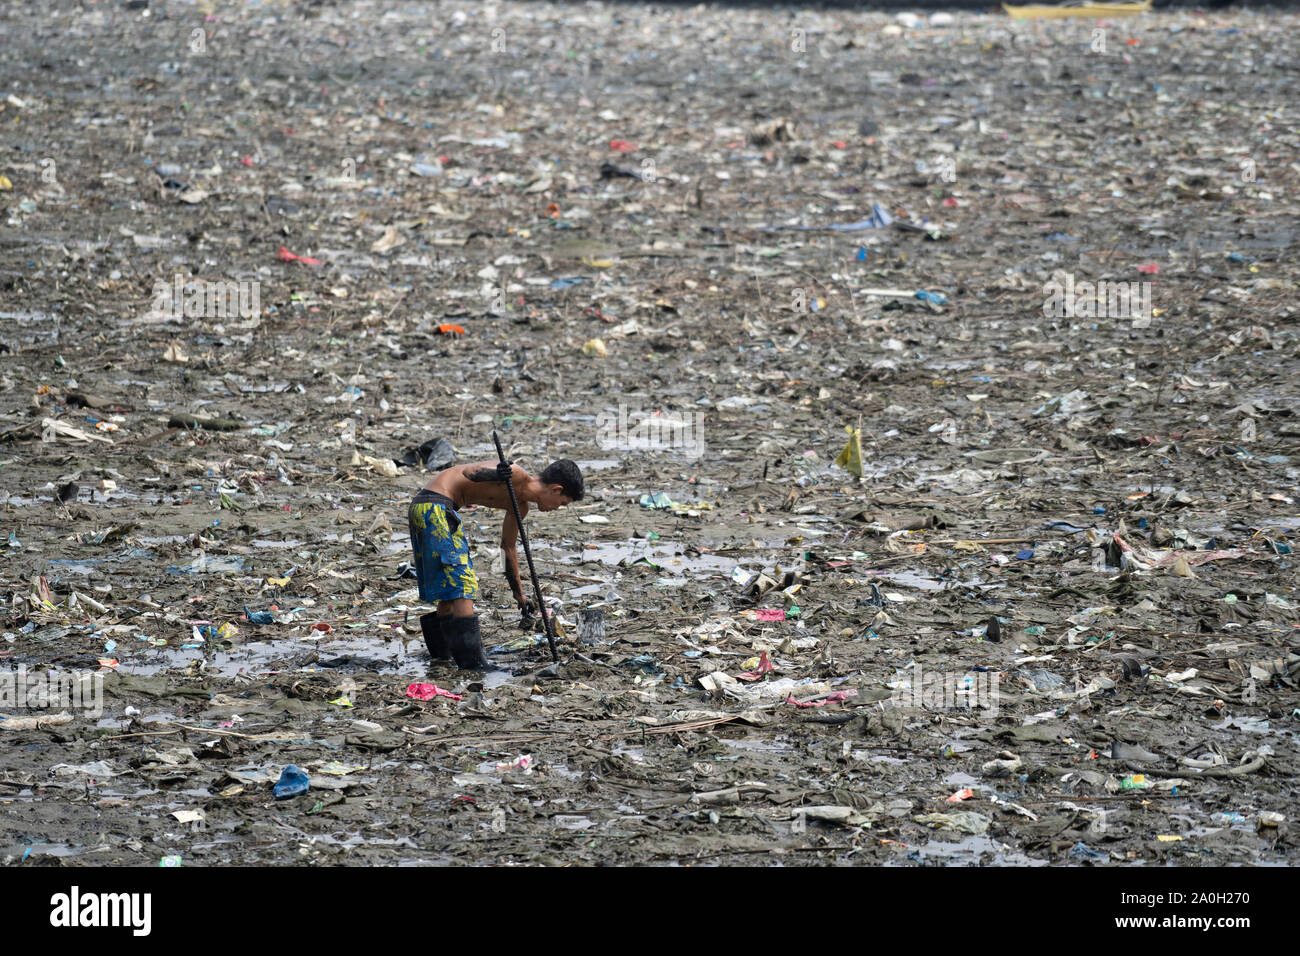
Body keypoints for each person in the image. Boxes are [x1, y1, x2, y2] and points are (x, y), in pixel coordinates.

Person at [407, 457, 583, 669]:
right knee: (464, 586)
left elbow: (507, 547)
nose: (557, 508)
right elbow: (470, 472)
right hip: (436, 507)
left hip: (425, 508)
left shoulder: (520, 506)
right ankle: (473, 665)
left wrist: (518, 593)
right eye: (562, 503)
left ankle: (442, 658)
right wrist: (497, 473)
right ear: (556, 489)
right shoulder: (515, 474)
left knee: (448, 591)